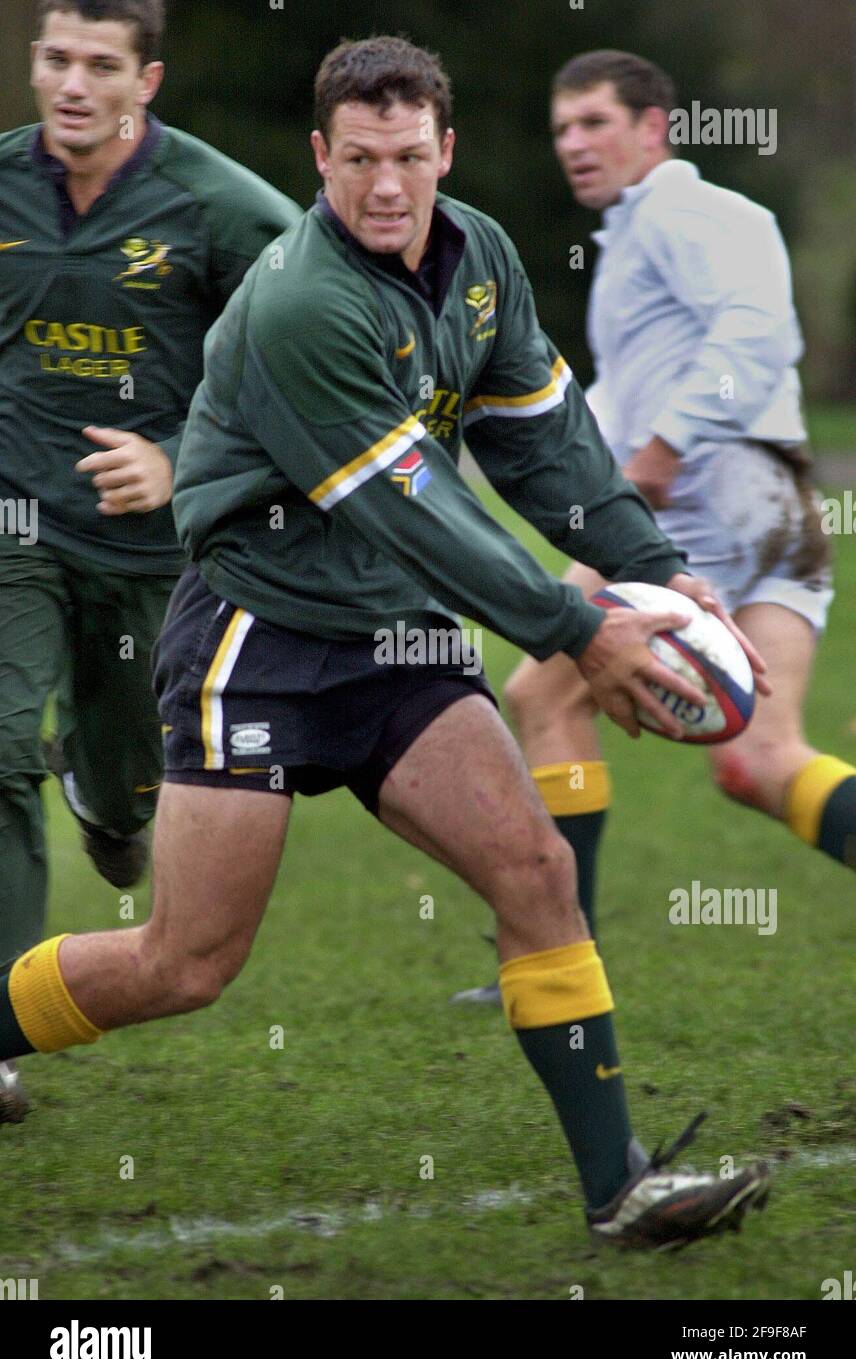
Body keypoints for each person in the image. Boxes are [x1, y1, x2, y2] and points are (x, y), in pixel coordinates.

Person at [0, 35, 772, 1249]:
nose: (385, 186)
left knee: (534, 871)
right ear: (320, 158)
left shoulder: (482, 258)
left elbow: (548, 448)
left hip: (396, 639)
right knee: (186, 964)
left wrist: (657, 569)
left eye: (409, 156)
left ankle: (617, 1189)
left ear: (444, 151)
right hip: (259, 636)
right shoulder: (304, 300)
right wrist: (580, 632)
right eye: (358, 159)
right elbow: (417, 508)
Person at [455, 48, 853, 1006]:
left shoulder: (689, 209)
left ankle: (561, 954)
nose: (574, 145)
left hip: (720, 498)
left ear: (655, 129)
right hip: (778, 503)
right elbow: (617, 401)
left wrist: (667, 450)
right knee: (759, 762)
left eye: (595, 123)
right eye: (562, 129)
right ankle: (567, 946)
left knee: (544, 697)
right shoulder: (637, 236)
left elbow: (755, 331)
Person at [0, 0, 301, 1121]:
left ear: (147, 80)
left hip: (150, 559)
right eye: (55, 59)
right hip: (12, 523)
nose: (72, 84)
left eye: (100, 65)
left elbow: (306, 350)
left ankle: (111, 795)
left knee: (130, 788)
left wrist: (177, 458)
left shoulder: (222, 209)